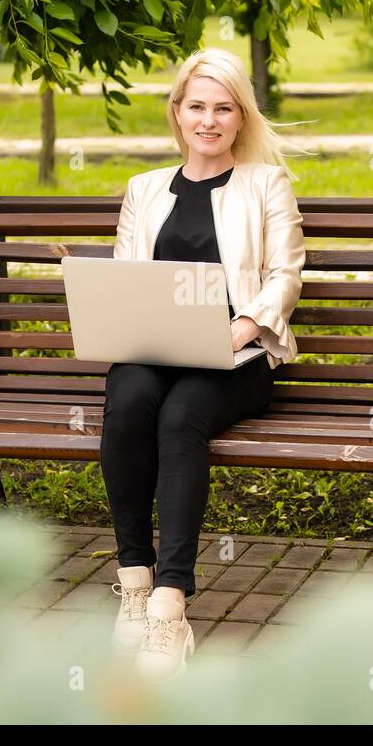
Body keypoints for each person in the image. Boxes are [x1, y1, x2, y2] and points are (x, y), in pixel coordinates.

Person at [101, 47, 308, 680]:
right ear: (177, 113)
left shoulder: (266, 184)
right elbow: (125, 277)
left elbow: (285, 276)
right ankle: (135, 580)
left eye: (224, 108)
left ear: (241, 118)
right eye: (198, 107)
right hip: (157, 346)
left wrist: (237, 330)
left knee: (180, 417)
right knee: (129, 402)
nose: (210, 120)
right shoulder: (144, 190)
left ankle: (170, 605)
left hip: (236, 355)